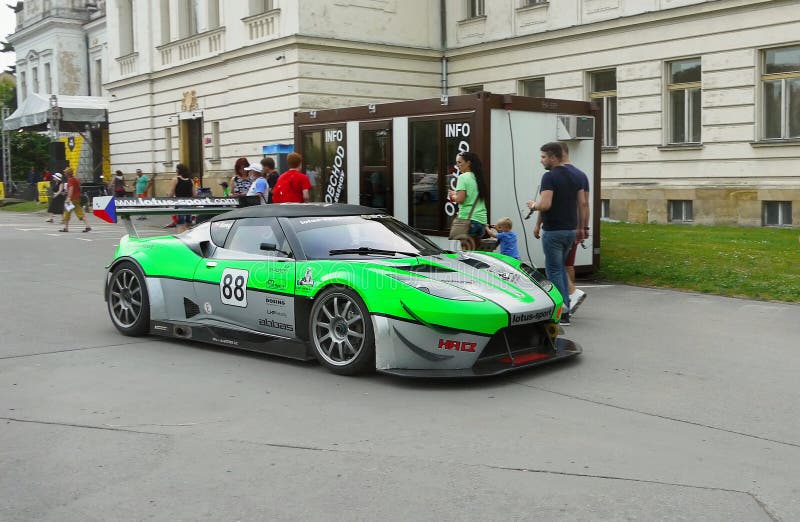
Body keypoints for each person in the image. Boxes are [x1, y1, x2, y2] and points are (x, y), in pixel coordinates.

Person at [528, 142, 587, 326]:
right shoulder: (576, 176)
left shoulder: (549, 177)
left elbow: (545, 205)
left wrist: (533, 205)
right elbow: (582, 203)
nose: (541, 161)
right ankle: (566, 306)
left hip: (554, 231)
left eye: (544, 157)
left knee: (553, 271)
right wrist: (583, 227)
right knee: (560, 267)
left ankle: (561, 313)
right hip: (570, 230)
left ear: (554, 157)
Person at [559, 141, 590, 314]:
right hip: (576, 225)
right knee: (568, 263)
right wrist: (584, 227)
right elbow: (585, 203)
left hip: (561, 225)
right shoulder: (581, 175)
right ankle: (571, 296)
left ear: (560, 153)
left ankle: (570, 296)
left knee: (557, 265)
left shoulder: (557, 174)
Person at [447, 151, 488, 251]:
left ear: (468, 163)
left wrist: (453, 195)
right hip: (481, 221)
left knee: (467, 255)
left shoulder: (463, 177)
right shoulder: (479, 177)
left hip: (468, 221)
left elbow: (461, 199)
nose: (457, 165)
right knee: (477, 254)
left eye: (460, 162)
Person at [60, 167, 92, 233]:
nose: (64, 173)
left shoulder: (70, 180)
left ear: (67, 174)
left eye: (65, 172)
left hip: (71, 199)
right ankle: (87, 226)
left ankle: (66, 228)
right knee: (79, 212)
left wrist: (68, 198)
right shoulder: (76, 179)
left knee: (67, 213)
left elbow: (71, 189)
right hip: (77, 198)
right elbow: (78, 188)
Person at [168, 163, 197, 233]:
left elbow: (171, 194)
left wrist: (168, 196)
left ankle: (182, 241)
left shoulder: (175, 179)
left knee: (181, 225)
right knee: (188, 225)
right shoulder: (191, 180)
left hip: (179, 204)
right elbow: (195, 194)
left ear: (178, 171)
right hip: (189, 204)